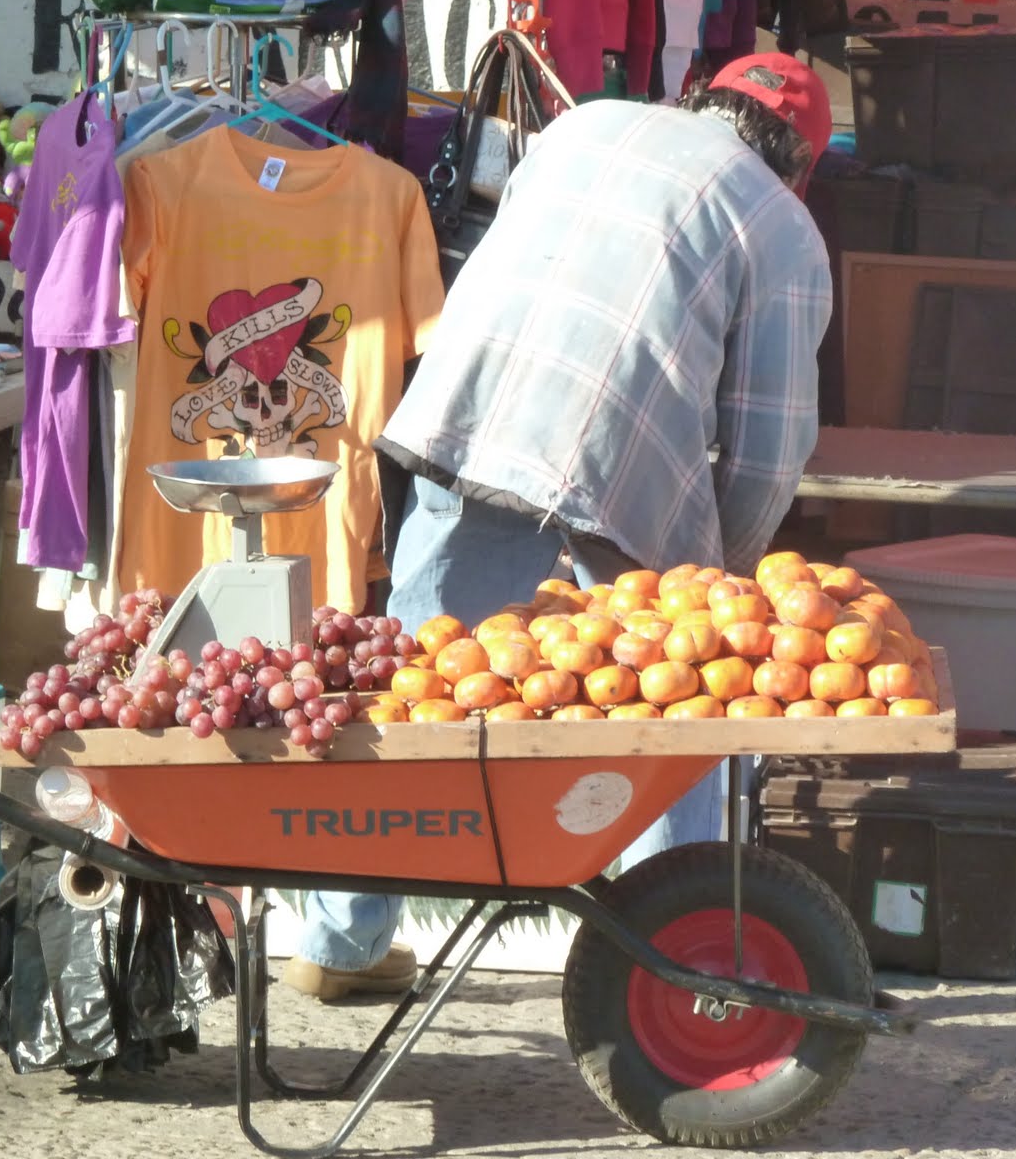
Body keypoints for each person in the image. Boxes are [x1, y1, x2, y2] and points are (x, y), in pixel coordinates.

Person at [281, 52, 835, 1000]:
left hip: (462, 422)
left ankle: (339, 942)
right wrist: (730, 579)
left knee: (424, 689)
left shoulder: (582, 125)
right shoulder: (782, 226)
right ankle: (681, 963)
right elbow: (771, 444)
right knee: (680, 713)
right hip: (620, 462)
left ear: (699, 99)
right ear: (801, 163)